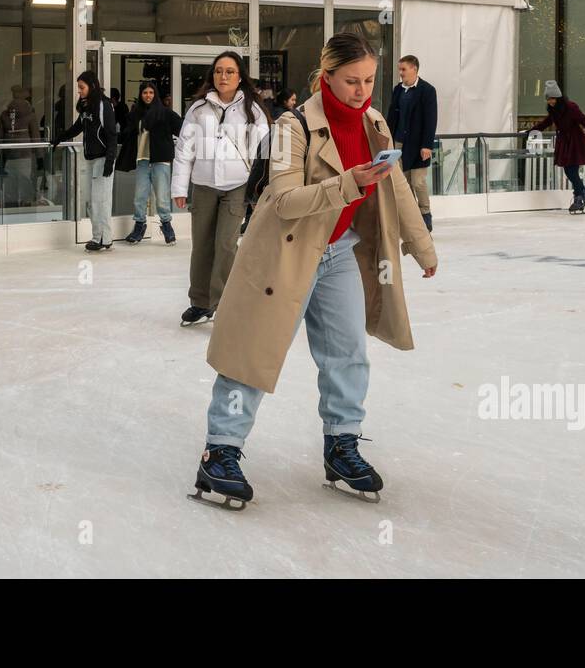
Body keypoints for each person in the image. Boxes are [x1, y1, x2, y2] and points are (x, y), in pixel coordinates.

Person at [190, 33, 437, 509]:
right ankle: (219, 451)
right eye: (350, 81)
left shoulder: (375, 123)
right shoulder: (292, 125)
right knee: (253, 352)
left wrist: (421, 247)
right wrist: (348, 184)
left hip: (340, 252)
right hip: (287, 252)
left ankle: (341, 446)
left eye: (368, 80)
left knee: (347, 353)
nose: (361, 90)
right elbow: (283, 200)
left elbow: (398, 188)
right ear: (327, 76)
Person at [171, 51, 270, 327]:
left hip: (237, 187)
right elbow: (183, 151)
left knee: (225, 244)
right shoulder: (198, 109)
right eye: (218, 71)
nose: (223, 76)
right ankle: (200, 302)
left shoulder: (253, 110)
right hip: (203, 186)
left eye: (229, 71)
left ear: (240, 77)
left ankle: (223, 303)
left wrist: (260, 190)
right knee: (202, 246)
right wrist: (179, 186)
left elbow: (264, 152)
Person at [54, 71, 118, 252]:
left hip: (103, 158)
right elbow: (78, 127)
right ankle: (101, 237)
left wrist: (109, 161)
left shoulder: (104, 106)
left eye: (82, 87)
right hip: (90, 158)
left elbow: (112, 134)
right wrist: (60, 138)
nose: (79, 91)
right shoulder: (87, 106)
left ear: (93, 86)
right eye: (78, 88)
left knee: (101, 201)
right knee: (92, 200)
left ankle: (102, 238)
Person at [521, 79, 585, 213]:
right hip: (564, 142)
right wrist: (531, 131)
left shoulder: (571, 107)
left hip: (575, 141)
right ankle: (582, 195)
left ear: (558, 97)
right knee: (569, 171)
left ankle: (581, 195)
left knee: (571, 171)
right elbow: (546, 122)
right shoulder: (553, 111)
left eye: (552, 99)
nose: (550, 102)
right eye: (548, 99)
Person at [115, 79, 181, 246]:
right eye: (145, 93)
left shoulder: (165, 112)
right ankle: (139, 225)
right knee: (140, 196)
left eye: (151, 92)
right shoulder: (135, 113)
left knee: (162, 196)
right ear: (140, 94)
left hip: (160, 160)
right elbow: (127, 133)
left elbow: (182, 129)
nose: (148, 95)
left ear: (155, 94)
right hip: (142, 160)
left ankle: (166, 225)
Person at [386, 55, 438, 232]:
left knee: (418, 182)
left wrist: (427, 145)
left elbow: (431, 120)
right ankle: (410, 219)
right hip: (398, 144)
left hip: (418, 146)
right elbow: (392, 116)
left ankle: (425, 216)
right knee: (404, 184)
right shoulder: (398, 90)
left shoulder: (427, 90)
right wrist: (387, 139)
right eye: (399, 69)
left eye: (403, 69)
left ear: (414, 69)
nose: (400, 73)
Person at [0, 84, 40, 205]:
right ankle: (27, 206)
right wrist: (40, 156)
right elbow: (35, 136)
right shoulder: (30, 114)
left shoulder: (5, 114)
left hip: (9, 154)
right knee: (26, 182)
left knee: (11, 184)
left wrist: (1, 157)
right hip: (25, 153)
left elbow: (0, 137)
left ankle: (11, 207)